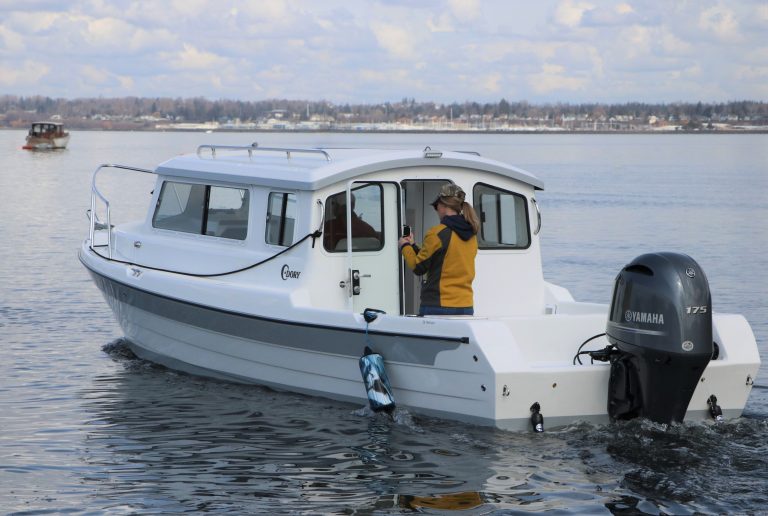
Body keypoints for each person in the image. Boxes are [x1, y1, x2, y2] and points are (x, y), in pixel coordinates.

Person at [399, 184, 480, 316]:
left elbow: (418, 267)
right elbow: (439, 259)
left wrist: (404, 246)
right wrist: (413, 245)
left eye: (436, 206)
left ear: (442, 205)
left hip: (438, 306)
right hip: (466, 306)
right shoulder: (472, 236)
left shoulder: (437, 233)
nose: (436, 210)